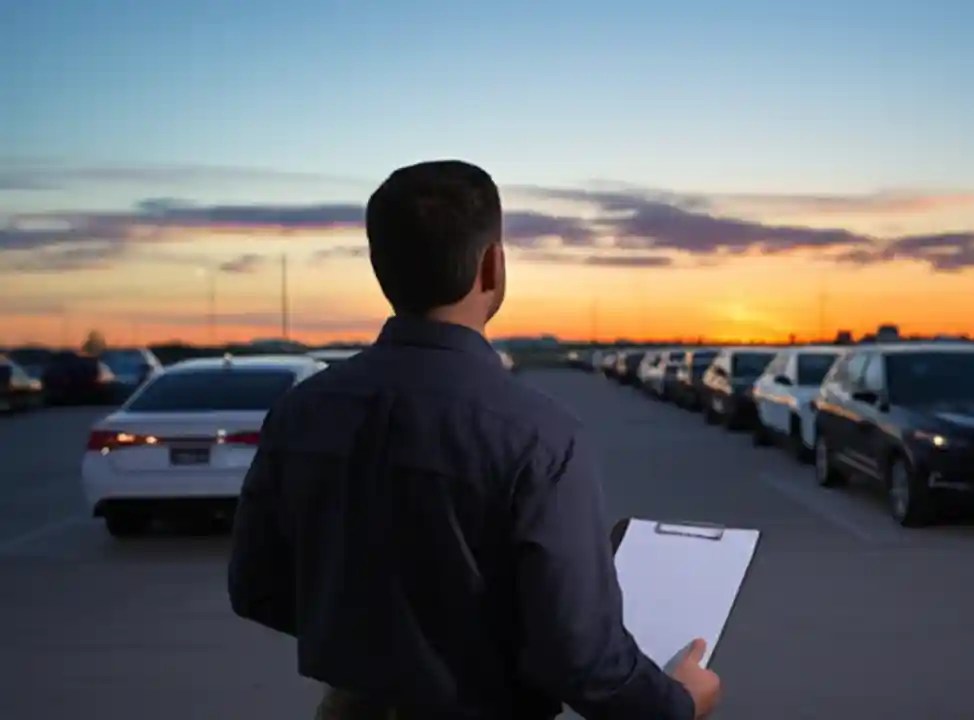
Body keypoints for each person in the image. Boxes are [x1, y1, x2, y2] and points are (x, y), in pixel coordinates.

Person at [228, 160, 722, 719]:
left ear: (379, 266)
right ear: (493, 266)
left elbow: (256, 587)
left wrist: (380, 638)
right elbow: (580, 656)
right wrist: (677, 703)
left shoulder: (301, 410)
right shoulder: (539, 435)